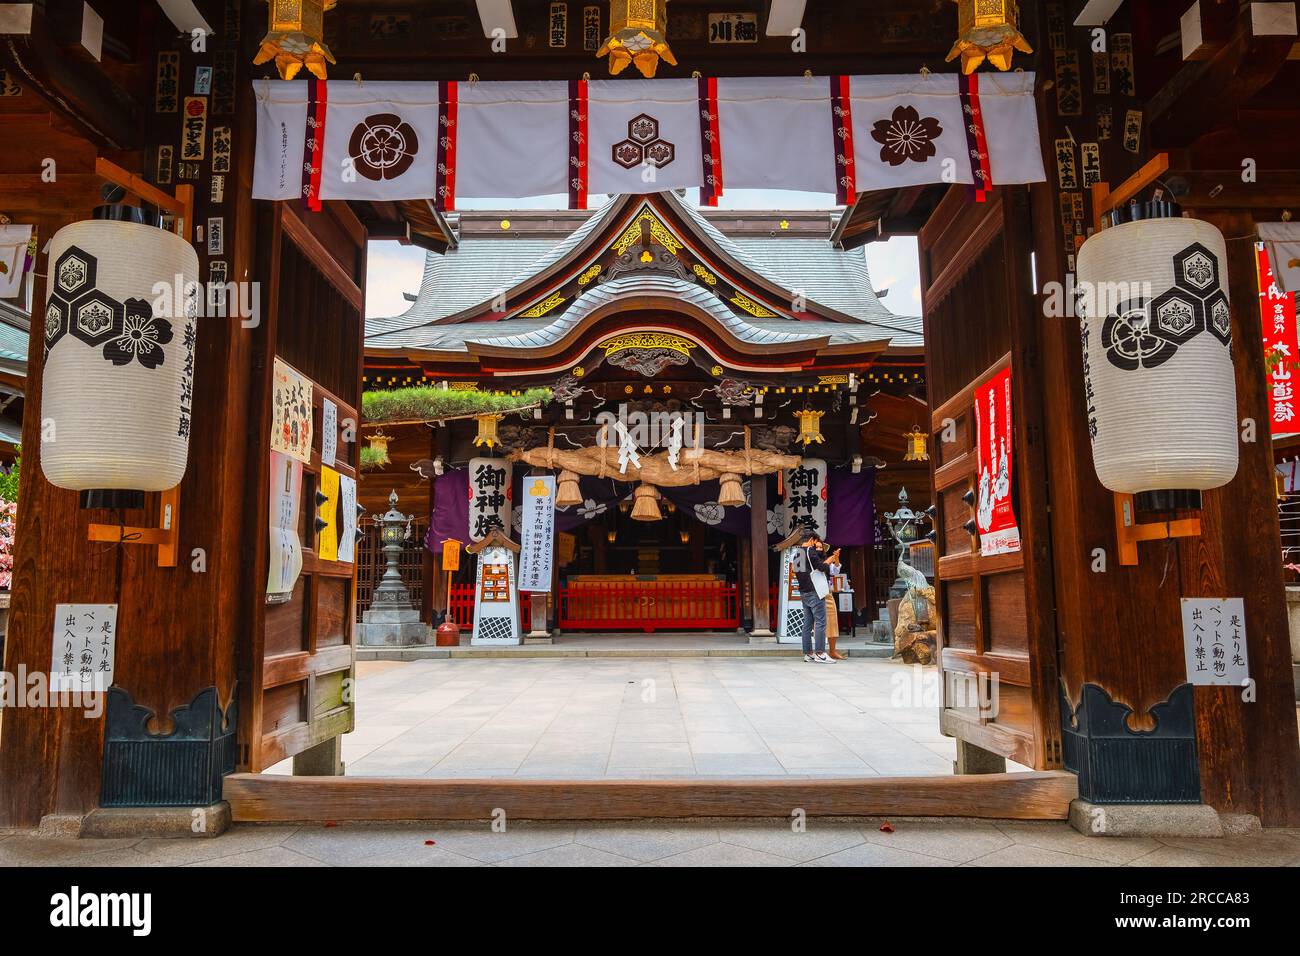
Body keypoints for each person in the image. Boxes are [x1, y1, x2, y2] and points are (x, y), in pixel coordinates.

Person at [794, 531, 834, 663]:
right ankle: (820, 653)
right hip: (815, 590)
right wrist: (829, 561)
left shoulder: (797, 553)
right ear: (811, 539)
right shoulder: (810, 551)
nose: (817, 544)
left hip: (803, 591)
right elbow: (822, 567)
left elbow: (799, 572)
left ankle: (808, 653)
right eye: (816, 541)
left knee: (807, 623)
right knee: (821, 622)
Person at [824, 546, 846, 660]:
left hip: (828, 593)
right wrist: (832, 558)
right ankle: (818, 651)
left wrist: (836, 558)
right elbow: (821, 567)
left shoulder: (828, 560)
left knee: (832, 621)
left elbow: (836, 569)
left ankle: (832, 650)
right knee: (817, 624)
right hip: (816, 593)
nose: (820, 549)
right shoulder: (812, 559)